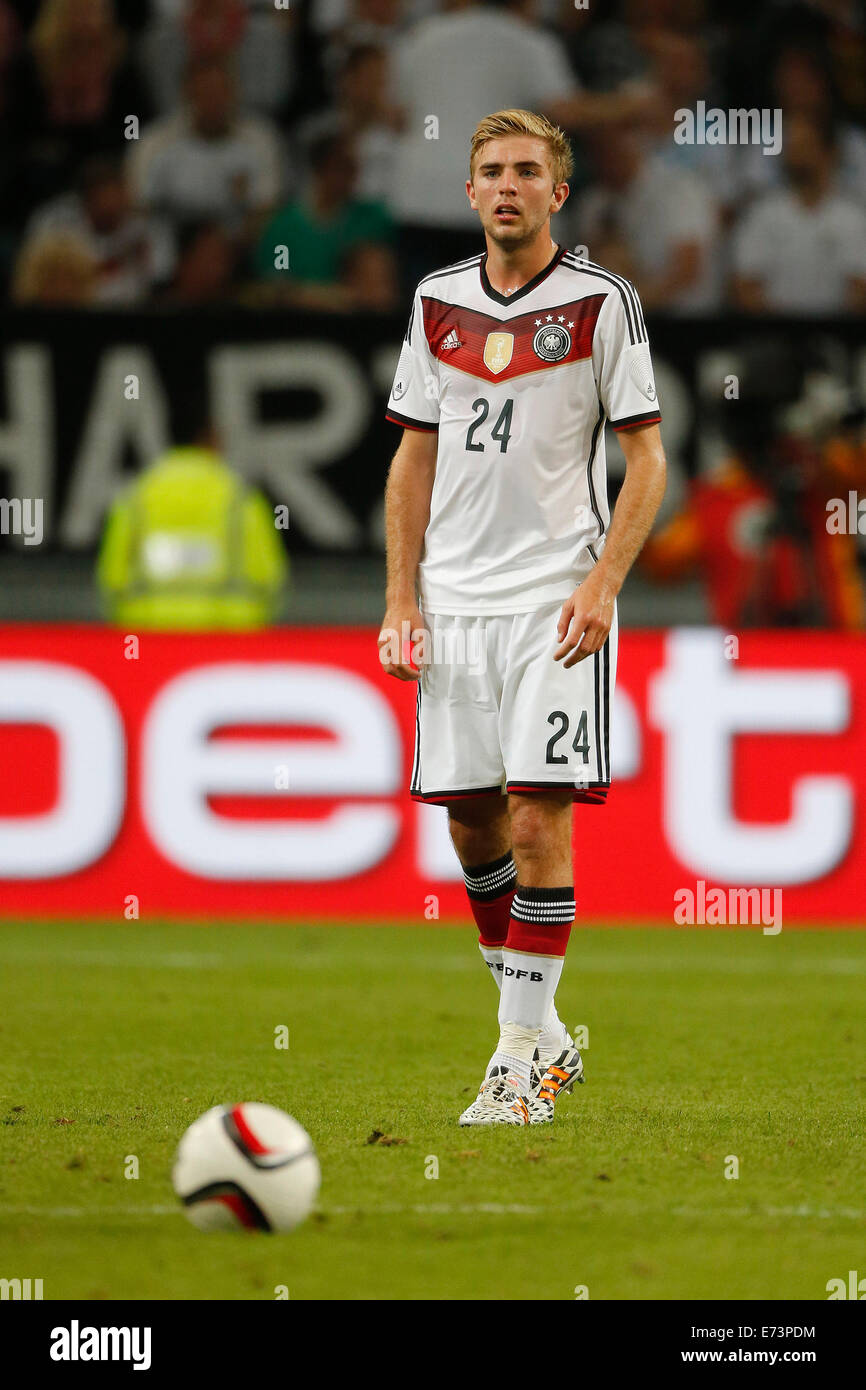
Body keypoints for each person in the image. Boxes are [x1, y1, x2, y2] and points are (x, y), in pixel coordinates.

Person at [378, 108, 666, 1126]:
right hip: (452, 603)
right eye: (491, 171)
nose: (507, 185)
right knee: (470, 823)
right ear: (468, 193)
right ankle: (547, 1034)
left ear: (557, 192)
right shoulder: (434, 303)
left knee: (540, 815)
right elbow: (411, 457)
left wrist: (602, 584)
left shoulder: (600, 304)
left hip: (555, 599)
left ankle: (511, 1061)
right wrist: (400, 596)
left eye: (526, 171)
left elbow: (647, 458)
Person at [96, 398, 289, 631]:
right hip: (227, 640)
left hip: (149, 638)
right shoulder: (241, 498)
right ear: (210, 437)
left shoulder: (134, 497)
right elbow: (270, 579)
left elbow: (111, 578)